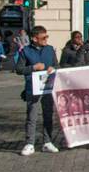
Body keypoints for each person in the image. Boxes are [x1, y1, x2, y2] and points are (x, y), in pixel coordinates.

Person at [15, 25, 60, 156]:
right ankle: (30, 143)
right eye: (43, 37)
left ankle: (47, 141)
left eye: (47, 37)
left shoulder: (50, 49)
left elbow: (57, 65)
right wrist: (33, 67)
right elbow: (19, 69)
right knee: (32, 116)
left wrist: (53, 67)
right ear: (35, 39)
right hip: (33, 88)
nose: (46, 39)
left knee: (48, 115)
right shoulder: (26, 51)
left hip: (47, 87)